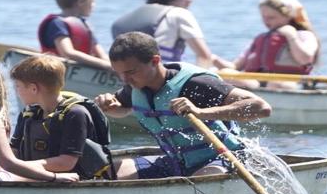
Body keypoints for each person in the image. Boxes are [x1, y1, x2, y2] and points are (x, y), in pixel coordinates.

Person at [93, 31, 270, 180]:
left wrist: (201, 112)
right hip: (175, 163)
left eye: (131, 72)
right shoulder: (134, 87)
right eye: (119, 73)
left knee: (200, 183)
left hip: (225, 159)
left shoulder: (196, 84)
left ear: (155, 61)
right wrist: (110, 107)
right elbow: (121, 110)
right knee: (104, 173)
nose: (125, 80)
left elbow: (261, 107)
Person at [9, 55, 113, 181]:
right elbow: (13, 151)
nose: (16, 91)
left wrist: (20, 167)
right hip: (35, 175)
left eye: (18, 86)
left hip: (70, 180)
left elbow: (66, 162)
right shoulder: (29, 113)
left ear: (33, 88)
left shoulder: (75, 114)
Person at [109, 0, 233, 70]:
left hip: (126, 76)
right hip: (162, 77)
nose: (190, 1)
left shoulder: (124, 19)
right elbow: (204, 57)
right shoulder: (179, 14)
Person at [233, 0, 320, 89]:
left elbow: (305, 59)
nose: (266, 21)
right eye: (263, 17)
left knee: (277, 84)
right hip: (256, 84)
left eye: (271, 17)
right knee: (227, 74)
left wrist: (291, 36)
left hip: (290, 84)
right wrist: (214, 60)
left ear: (288, 16)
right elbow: (235, 67)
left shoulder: (304, 35)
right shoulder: (261, 38)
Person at [37, 0, 112, 71]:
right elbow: (67, 53)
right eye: (92, 1)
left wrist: (115, 67)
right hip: (56, 72)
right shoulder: (57, 24)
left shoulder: (85, 25)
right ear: (80, 2)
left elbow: (102, 55)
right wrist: (105, 65)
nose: (94, 5)